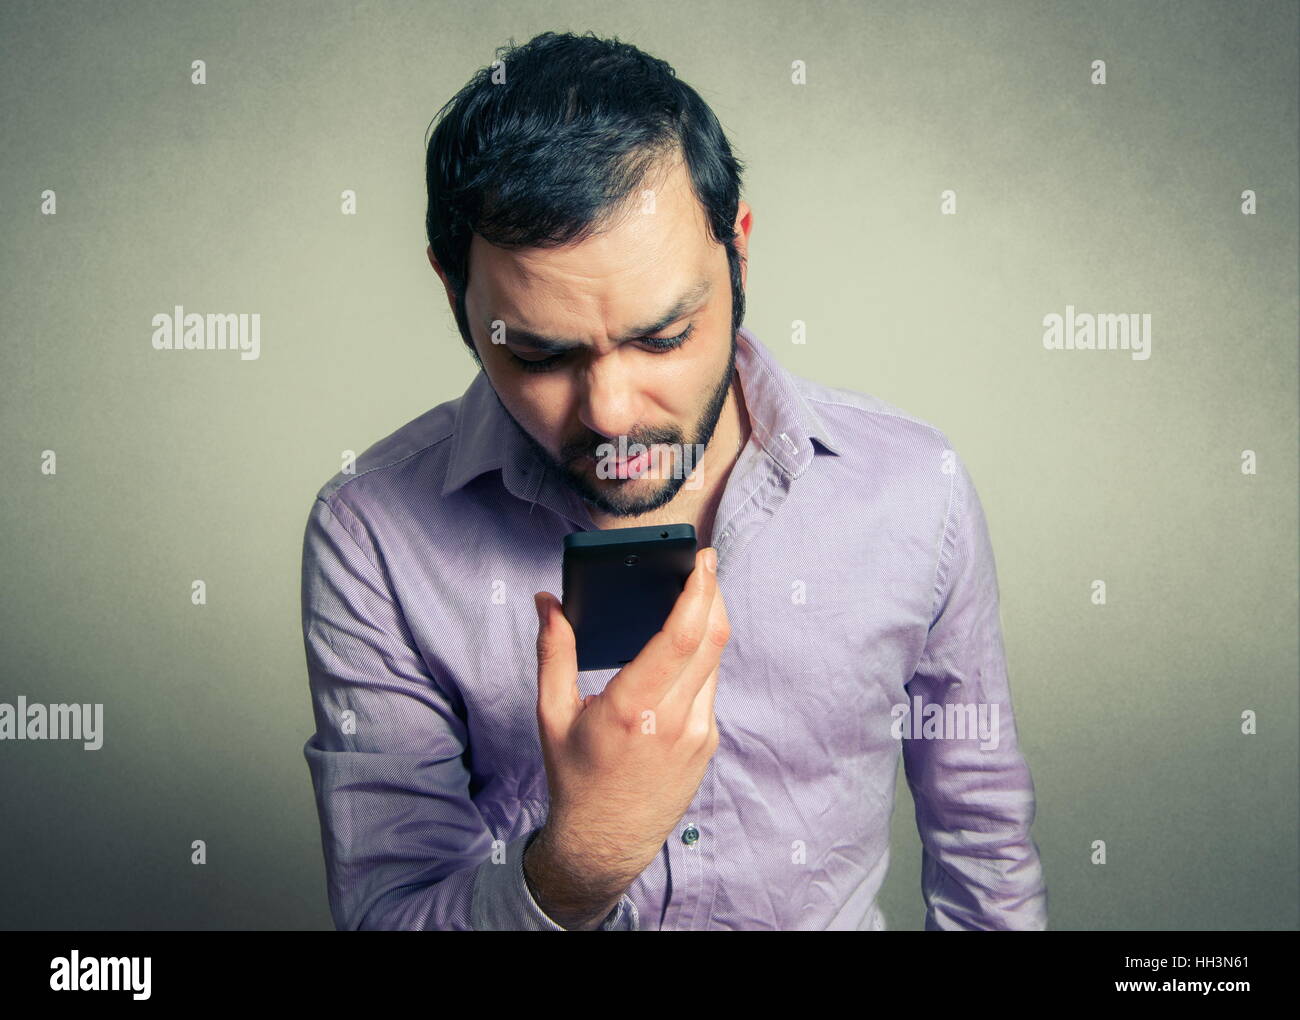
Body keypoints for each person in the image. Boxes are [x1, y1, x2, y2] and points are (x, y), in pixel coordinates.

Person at [300, 30, 1048, 930]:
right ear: (454, 294)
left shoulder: (912, 491)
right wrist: (580, 860)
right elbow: (388, 915)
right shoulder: (375, 533)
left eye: (662, 338)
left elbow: (984, 852)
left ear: (738, 252)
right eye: (540, 353)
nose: (612, 413)